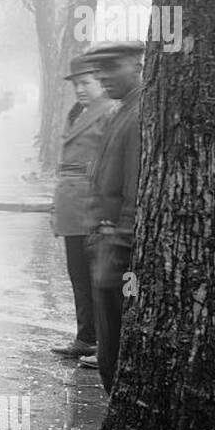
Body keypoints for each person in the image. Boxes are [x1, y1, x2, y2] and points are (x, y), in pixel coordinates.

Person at [81, 41, 145, 392]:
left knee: (116, 348)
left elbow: (135, 189)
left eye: (112, 67)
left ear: (137, 65)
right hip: (106, 244)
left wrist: (120, 245)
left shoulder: (138, 114)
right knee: (109, 345)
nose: (103, 76)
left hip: (120, 252)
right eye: (99, 69)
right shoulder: (122, 110)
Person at [49, 54, 114, 360]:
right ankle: (85, 337)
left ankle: (105, 344)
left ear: (101, 81)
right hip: (71, 207)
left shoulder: (109, 112)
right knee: (78, 276)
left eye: (86, 83)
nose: (80, 90)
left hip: (93, 206)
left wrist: (106, 210)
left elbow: (111, 164)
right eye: (76, 84)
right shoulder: (77, 112)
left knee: (98, 278)